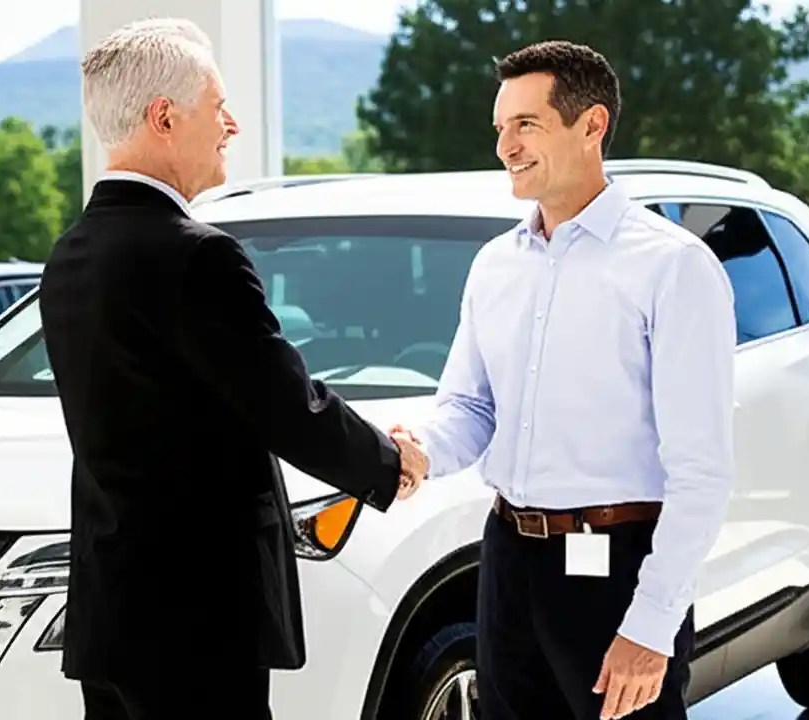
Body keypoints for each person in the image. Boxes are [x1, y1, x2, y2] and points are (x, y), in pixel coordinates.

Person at [37, 17, 428, 720]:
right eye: (218, 108)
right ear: (164, 118)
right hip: (198, 615)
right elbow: (284, 403)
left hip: (111, 611)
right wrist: (387, 460)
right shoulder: (196, 255)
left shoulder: (69, 254)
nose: (232, 126)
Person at [392, 41, 736, 720]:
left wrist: (651, 624)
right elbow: (470, 406)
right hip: (508, 559)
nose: (505, 148)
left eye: (526, 125)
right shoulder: (495, 265)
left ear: (592, 126)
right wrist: (421, 450)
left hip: (617, 566)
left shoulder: (671, 267)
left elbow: (702, 471)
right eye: (500, 128)